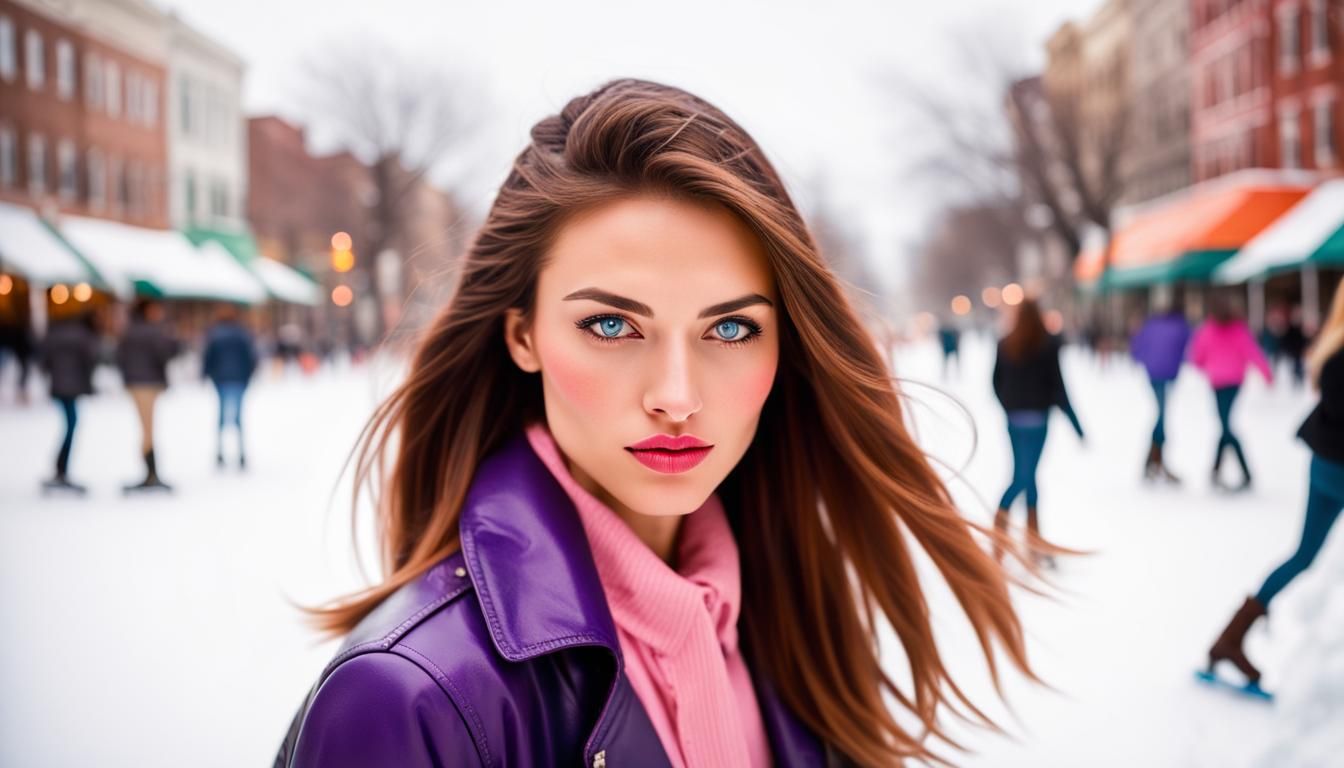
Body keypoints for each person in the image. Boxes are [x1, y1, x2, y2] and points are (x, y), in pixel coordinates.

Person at [274, 79, 1039, 768]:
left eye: (731, 330)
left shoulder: (791, 620)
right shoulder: (410, 700)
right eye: (611, 326)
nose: (677, 396)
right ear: (523, 335)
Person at [1204, 279, 1344, 697]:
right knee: (1303, 556)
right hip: (1335, 466)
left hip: (1325, 465)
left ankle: (1230, 638)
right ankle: (1230, 639)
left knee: (1303, 556)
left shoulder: (1332, 348)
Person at [991, 298, 1084, 567]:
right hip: (1037, 422)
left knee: (1027, 477)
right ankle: (1009, 540)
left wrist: (1009, 406)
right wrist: (1075, 424)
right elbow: (1058, 387)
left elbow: (996, 383)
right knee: (1024, 478)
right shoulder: (1046, 345)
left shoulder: (1006, 343)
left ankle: (1024, 543)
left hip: (1016, 421)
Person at [1189, 296, 1273, 492]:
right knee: (1225, 425)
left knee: (1225, 425)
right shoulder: (1233, 330)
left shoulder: (1211, 330)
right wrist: (1266, 374)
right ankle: (1222, 470)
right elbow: (1254, 353)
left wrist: (1208, 366)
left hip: (1222, 382)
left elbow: (1196, 357)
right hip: (1229, 382)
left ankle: (1234, 471)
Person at [116, 299, 180, 493]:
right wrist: (171, 337)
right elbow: (166, 353)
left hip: (135, 384)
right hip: (148, 384)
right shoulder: (154, 332)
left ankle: (151, 473)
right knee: (148, 430)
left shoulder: (129, 331)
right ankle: (151, 473)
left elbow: (120, 357)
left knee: (146, 428)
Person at [37, 309, 101, 493]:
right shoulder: (84, 336)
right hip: (74, 386)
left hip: (58, 385)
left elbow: (44, 360)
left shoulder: (54, 334)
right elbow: (92, 359)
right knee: (71, 424)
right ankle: (61, 467)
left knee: (70, 424)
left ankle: (61, 467)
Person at [1130, 300, 1191, 483]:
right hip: (1166, 373)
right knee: (1162, 414)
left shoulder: (1150, 325)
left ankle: (1154, 460)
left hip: (1154, 373)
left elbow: (1137, 349)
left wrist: (1148, 360)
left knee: (1161, 414)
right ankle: (1152, 460)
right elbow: (1188, 350)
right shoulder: (1181, 327)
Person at [203, 305, 258, 468]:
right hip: (239, 379)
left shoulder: (215, 335)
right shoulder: (242, 334)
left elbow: (208, 359)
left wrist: (208, 375)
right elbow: (251, 358)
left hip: (221, 380)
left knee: (221, 416)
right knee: (238, 418)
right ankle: (241, 454)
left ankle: (220, 453)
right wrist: (247, 376)